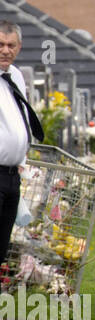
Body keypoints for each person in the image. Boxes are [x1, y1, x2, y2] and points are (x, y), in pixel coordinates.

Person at [0, 21, 43, 262]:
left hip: (12, 175)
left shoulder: (15, 75)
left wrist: (22, 159)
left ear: (19, 47)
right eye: (0, 45)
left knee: (2, 245)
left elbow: (21, 119)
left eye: (11, 45)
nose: (5, 50)